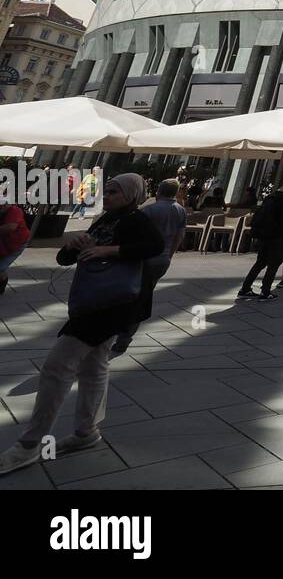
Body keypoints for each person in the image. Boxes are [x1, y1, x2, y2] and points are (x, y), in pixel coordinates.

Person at [0, 174, 164, 475]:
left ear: (131, 194)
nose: (109, 195)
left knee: (57, 366)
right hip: (93, 301)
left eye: (115, 191)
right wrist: (75, 245)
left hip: (113, 306)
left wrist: (109, 250)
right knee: (94, 365)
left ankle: (29, 444)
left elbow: (154, 246)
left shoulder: (136, 220)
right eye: (108, 190)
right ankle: (86, 432)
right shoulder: (105, 220)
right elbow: (65, 258)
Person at [111, 177, 188, 356]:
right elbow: (179, 235)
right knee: (143, 297)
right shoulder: (180, 210)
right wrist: (169, 255)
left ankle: (115, 330)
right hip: (162, 260)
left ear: (159, 191)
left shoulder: (149, 210)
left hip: (143, 258)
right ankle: (125, 337)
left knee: (127, 295)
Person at [238, 177, 283, 301]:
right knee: (274, 263)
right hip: (278, 235)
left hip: (265, 234)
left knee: (260, 262)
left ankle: (245, 288)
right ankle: (265, 292)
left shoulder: (271, 196)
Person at [0, 192, 32, 296]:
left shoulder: (15, 211)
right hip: (4, 242)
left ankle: (1, 285)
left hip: (18, 243)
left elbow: (10, 227)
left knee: (0, 268)